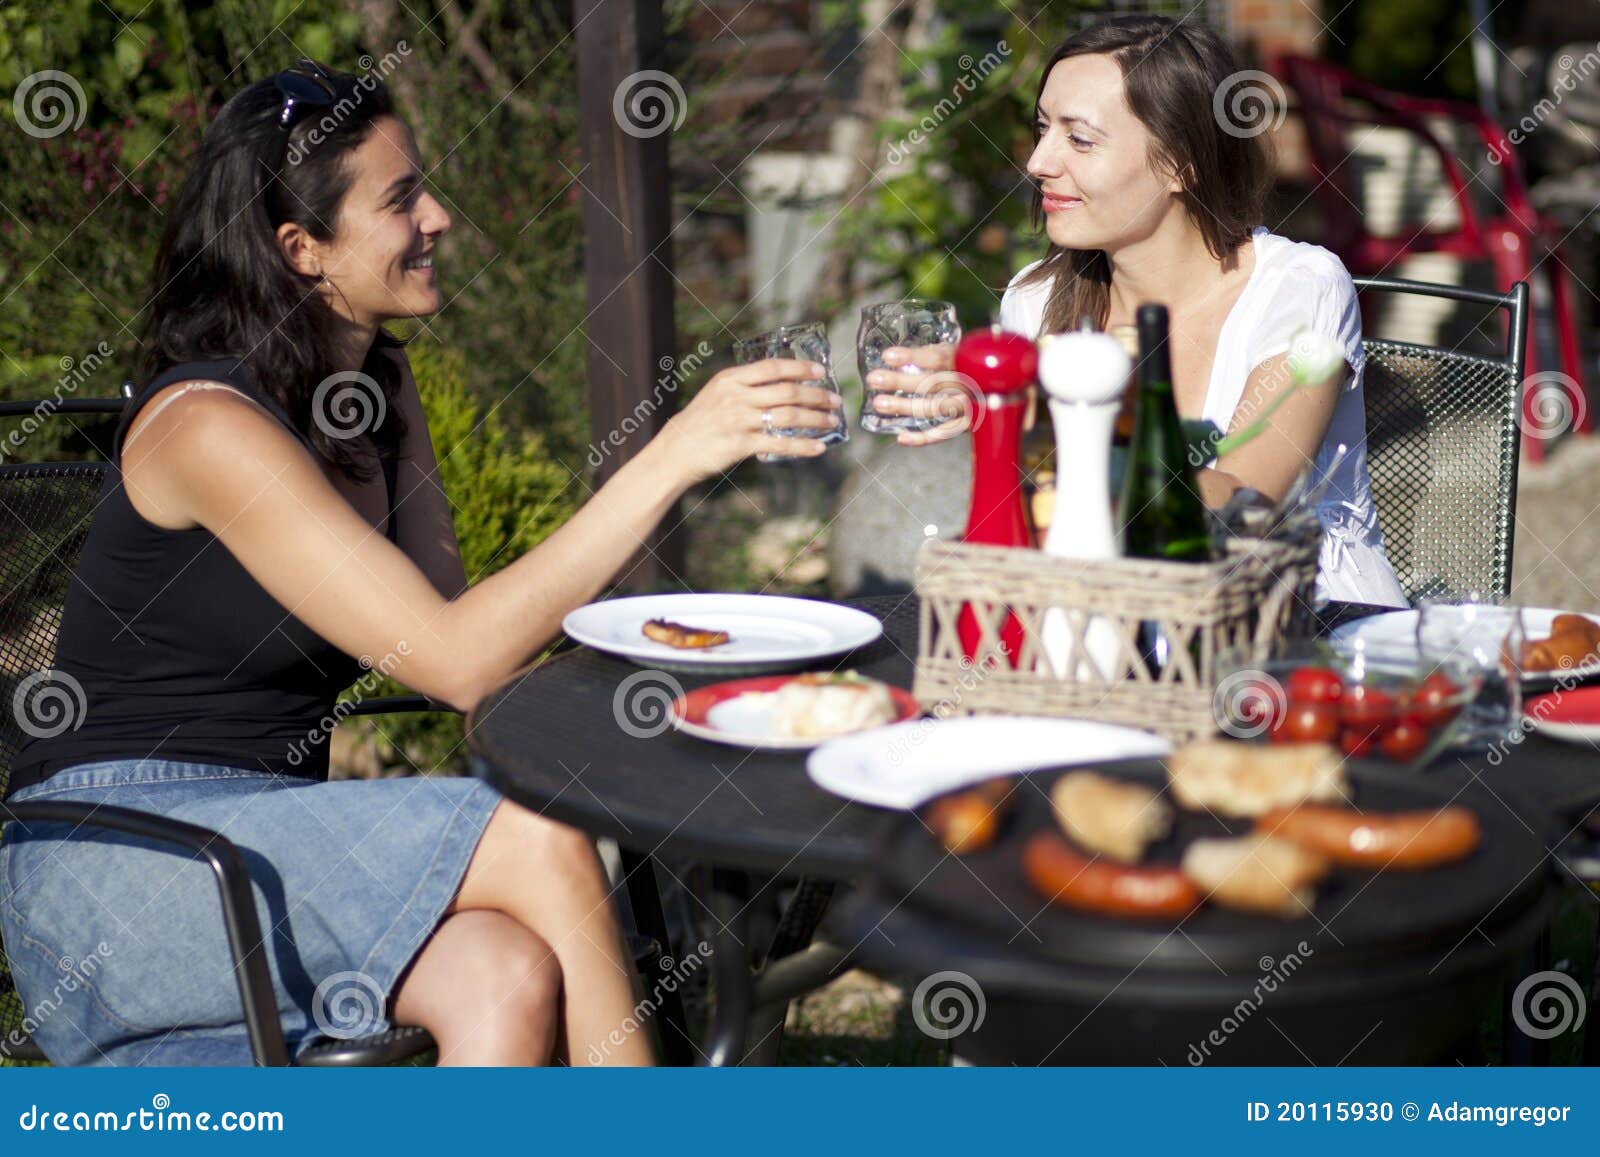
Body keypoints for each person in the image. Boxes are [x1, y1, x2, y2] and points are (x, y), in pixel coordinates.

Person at [0, 61, 840, 1067]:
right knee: (530, 828)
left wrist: (675, 684)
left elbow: (462, 637)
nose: (439, 215)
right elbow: (453, 658)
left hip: (269, 839)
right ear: (301, 249)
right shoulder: (206, 426)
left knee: (501, 967)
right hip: (124, 859)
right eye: (401, 198)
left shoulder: (377, 392)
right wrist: (672, 455)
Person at [873, 16, 1407, 608]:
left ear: (1180, 161)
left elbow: (1243, 501)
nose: (1038, 162)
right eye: (1043, 129)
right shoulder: (1037, 299)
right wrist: (995, 404)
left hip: (1306, 633)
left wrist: (1032, 412)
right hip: (1106, 631)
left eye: (1079, 140)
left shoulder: (1299, 289)